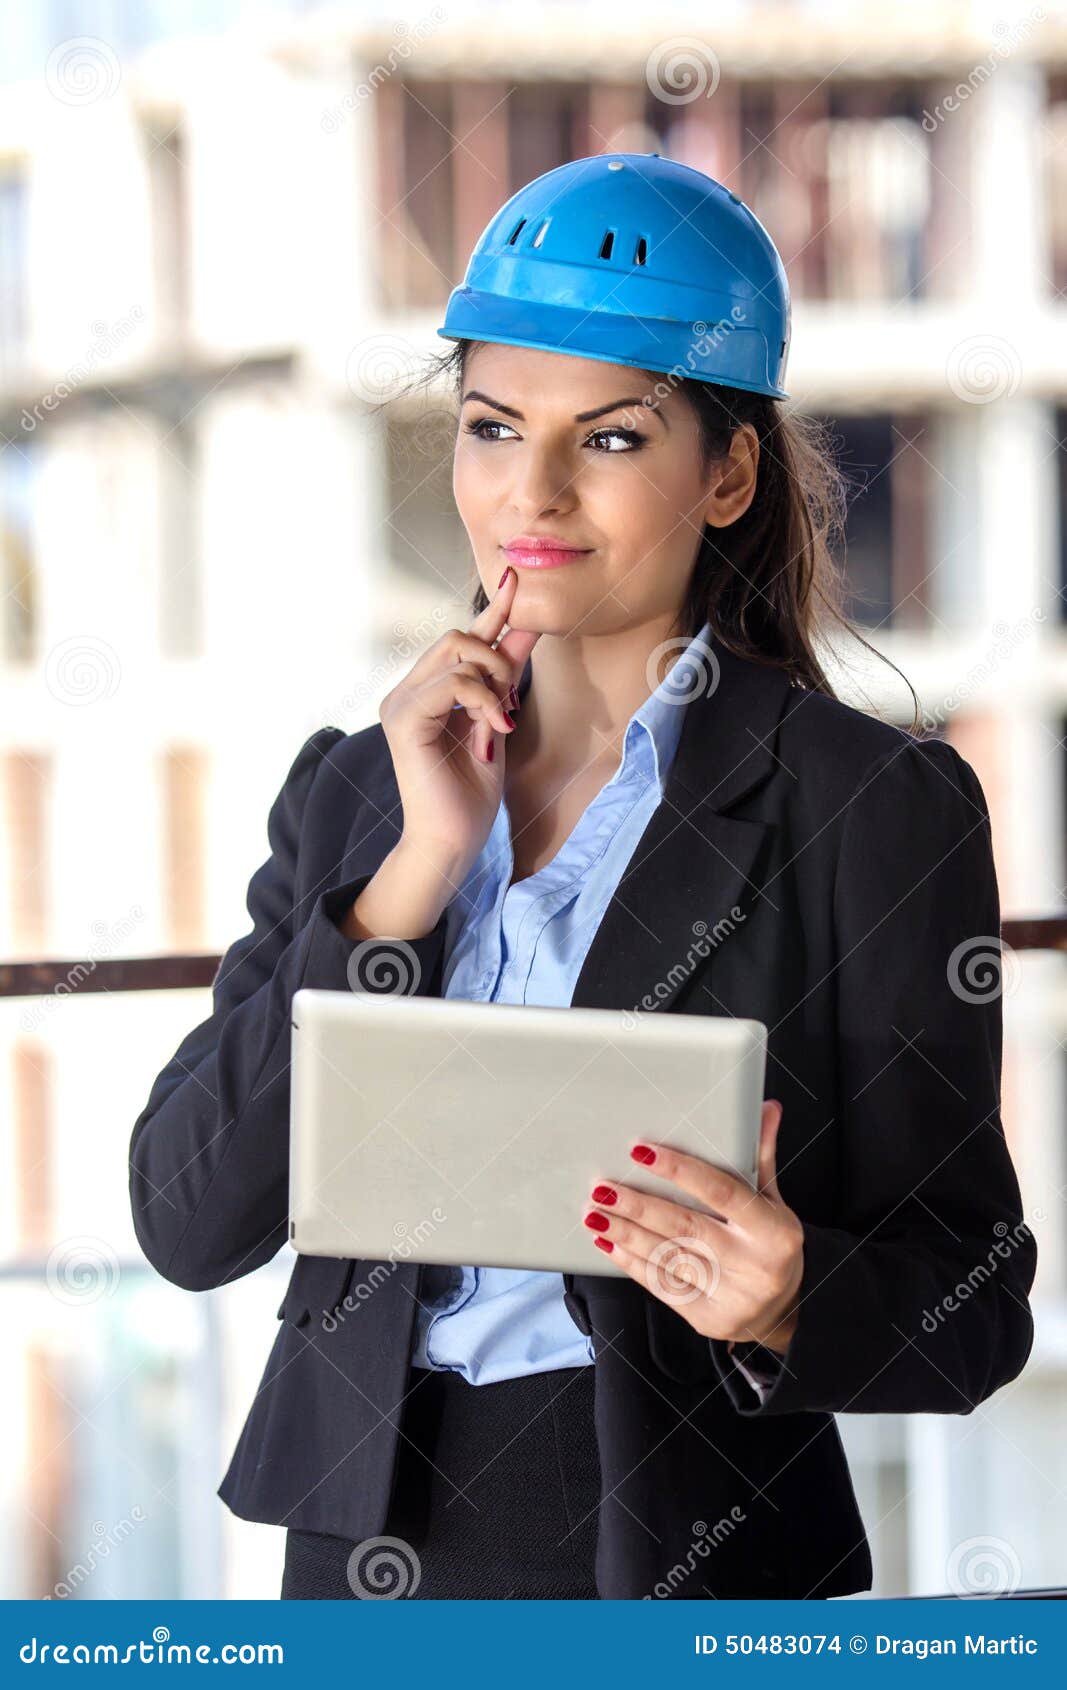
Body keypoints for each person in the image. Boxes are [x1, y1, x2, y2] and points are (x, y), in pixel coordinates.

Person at [128, 153, 1036, 1601]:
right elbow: (189, 1218)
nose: (531, 491)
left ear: (727, 474)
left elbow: (973, 1301)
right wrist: (417, 869)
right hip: (358, 1552)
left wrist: (791, 1296)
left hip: (672, 1555)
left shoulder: (866, 805)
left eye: (609, 438)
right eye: (493, 427)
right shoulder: (357, 790)